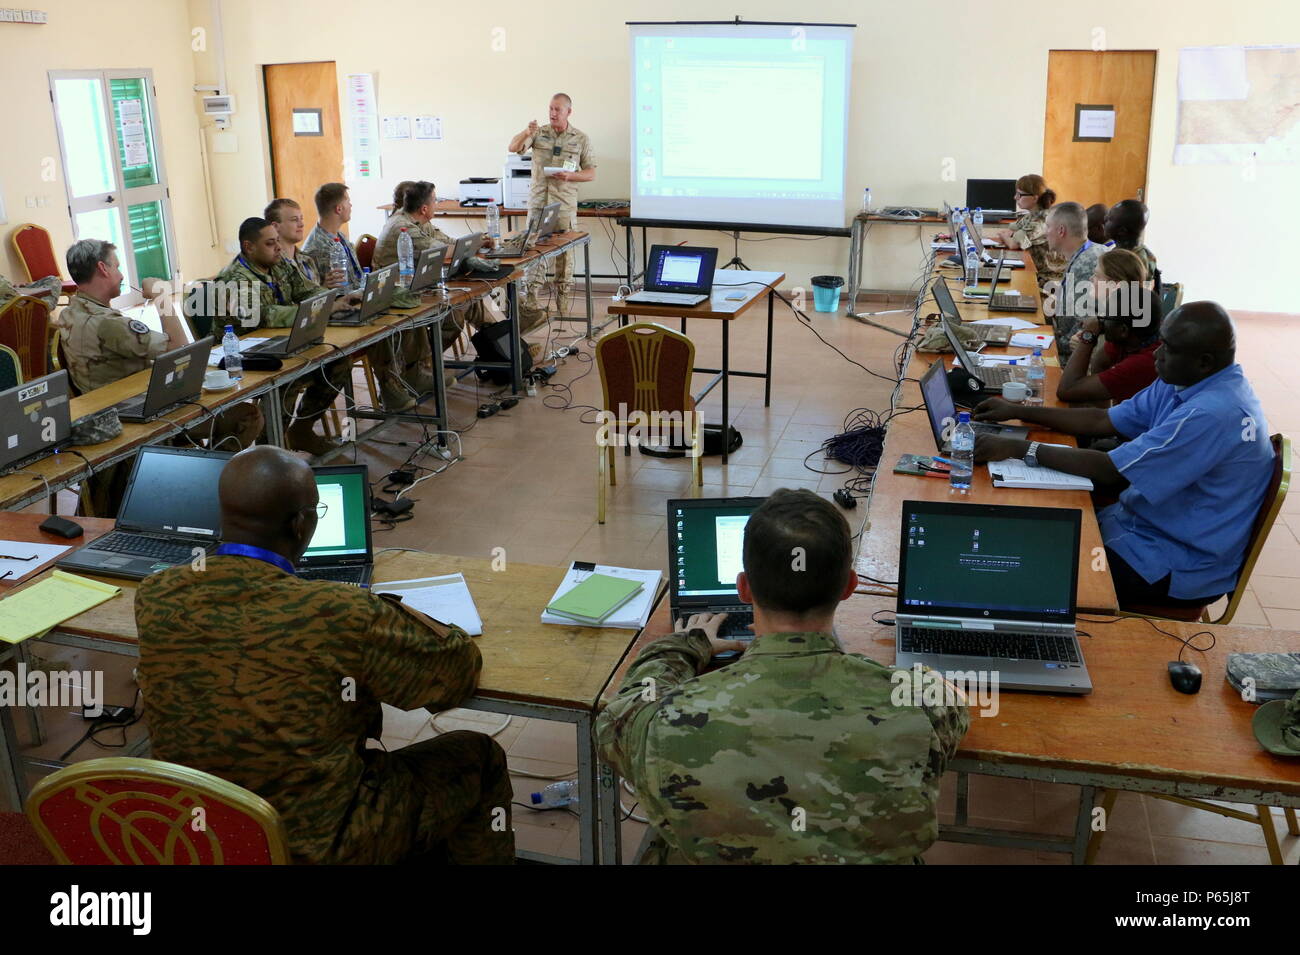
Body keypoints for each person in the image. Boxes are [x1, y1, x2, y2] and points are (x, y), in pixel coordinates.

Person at [135, 445, 514, 865]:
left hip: (200, 831)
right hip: (317, 845)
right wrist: (387, 611)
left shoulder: (156, 594)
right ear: (300, 525)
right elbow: (454, 675)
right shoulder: (338, 611)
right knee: (477, 757)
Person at [597, 488, 969, 864]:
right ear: (849, 587)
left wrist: (684, 646)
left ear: (743, 588)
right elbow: (949, 700)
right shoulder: (916, 706)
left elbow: (617, 720)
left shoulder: (667, 722)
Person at [973, 302, 1273, 614]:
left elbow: (1112, 471)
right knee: (1025, 528)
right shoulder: (1184, 381)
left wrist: (1021, 449)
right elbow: (1103, 420)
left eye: (1167, 348)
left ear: (1204, 362)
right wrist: (1017, 411)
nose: (1156, 354)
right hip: (1140, 530)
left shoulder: (1212, 413)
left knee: (1028, 567)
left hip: (1170, 564)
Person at [61, 239, 263, 514]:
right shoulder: (108, 323)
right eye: (117, 267)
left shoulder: (70, 313)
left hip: (106, 414)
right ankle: (204, 487)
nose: (121, 275)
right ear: (102, 268)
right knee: (247, 416)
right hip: (139, 420)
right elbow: (181, 350)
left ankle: (193, 483)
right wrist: (162, 297)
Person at [215, 217, 357, 454]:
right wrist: (319, 308)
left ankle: (301, 431)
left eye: (277, 241)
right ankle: (270, 450)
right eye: (270, 243)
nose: (278, 248)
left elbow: (307, 290)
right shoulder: (233, 279)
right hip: (241, 353)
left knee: (338, 361)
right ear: (249, 247)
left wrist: (336, 300)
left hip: (280, 343)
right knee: (288, 378)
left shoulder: (278, 263)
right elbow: (264, 316)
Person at [307, 181, 435, 409]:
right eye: (348, 202)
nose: (351, 205)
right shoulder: (319, 246)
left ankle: (414, 373)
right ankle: (391, 386)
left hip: (355, 299)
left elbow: (356, 279)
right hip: (339, 311)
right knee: (384, 321)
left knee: (408, 306)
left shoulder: (339, 238)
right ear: (338, 208)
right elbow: (332, 293)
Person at [373, 179, 496, 361]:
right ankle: (424, 362)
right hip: (397, 294)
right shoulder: (402, 227)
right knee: (454, 315)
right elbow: (441, 251)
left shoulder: (419, 220)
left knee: (471, 297)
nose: (436, 204)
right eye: (434, 200)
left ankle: (504, 345)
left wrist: (480, 241)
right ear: (423, 208)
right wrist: (472, 246)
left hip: (417, 285)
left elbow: (448, 242)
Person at [508, 93, 596, 333]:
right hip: (538, 204)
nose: (553, 113)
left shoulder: (580, 138)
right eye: (550, 108)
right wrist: (527, 132)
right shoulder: (539, 132)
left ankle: (563, 306)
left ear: (569, 111)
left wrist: (570, 176)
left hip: (564, 206)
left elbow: (590, 173)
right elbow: (513, 147)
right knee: (533, 251)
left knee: (564, 257)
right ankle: (531, 303)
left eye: (557, 109)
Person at [1056, 249, 1161, 404]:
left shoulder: (1126, 329)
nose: (1091, 279)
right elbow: (1100, 365)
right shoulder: (1124, 322)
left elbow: (1067, 390)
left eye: (1097, 275)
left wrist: (1088, 337)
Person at [1043, 201, 1107, 359]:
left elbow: (1080, 332)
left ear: (1061, 231)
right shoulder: (1090, 252)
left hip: (1076, 357)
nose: (1045, 232)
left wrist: (1044, 341)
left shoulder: (1086, 264)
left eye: (1047, 226)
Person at [993, 174, 1065, 289]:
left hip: (1047, 277)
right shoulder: (1031, 215)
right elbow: (1012, 230)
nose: (1015, 197)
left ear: (1035, 198)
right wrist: (1010, 236)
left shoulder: (1041, 220)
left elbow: (1013, 244)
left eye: (1019, 194)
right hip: (1032, 268)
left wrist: (1006, 236)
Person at [1104, 199, 1158, 278]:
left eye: (1109, 219)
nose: (1104, 219)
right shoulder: (1123, 252)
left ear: (1122, 231)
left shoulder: (1129, 263)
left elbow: (1134, 290)